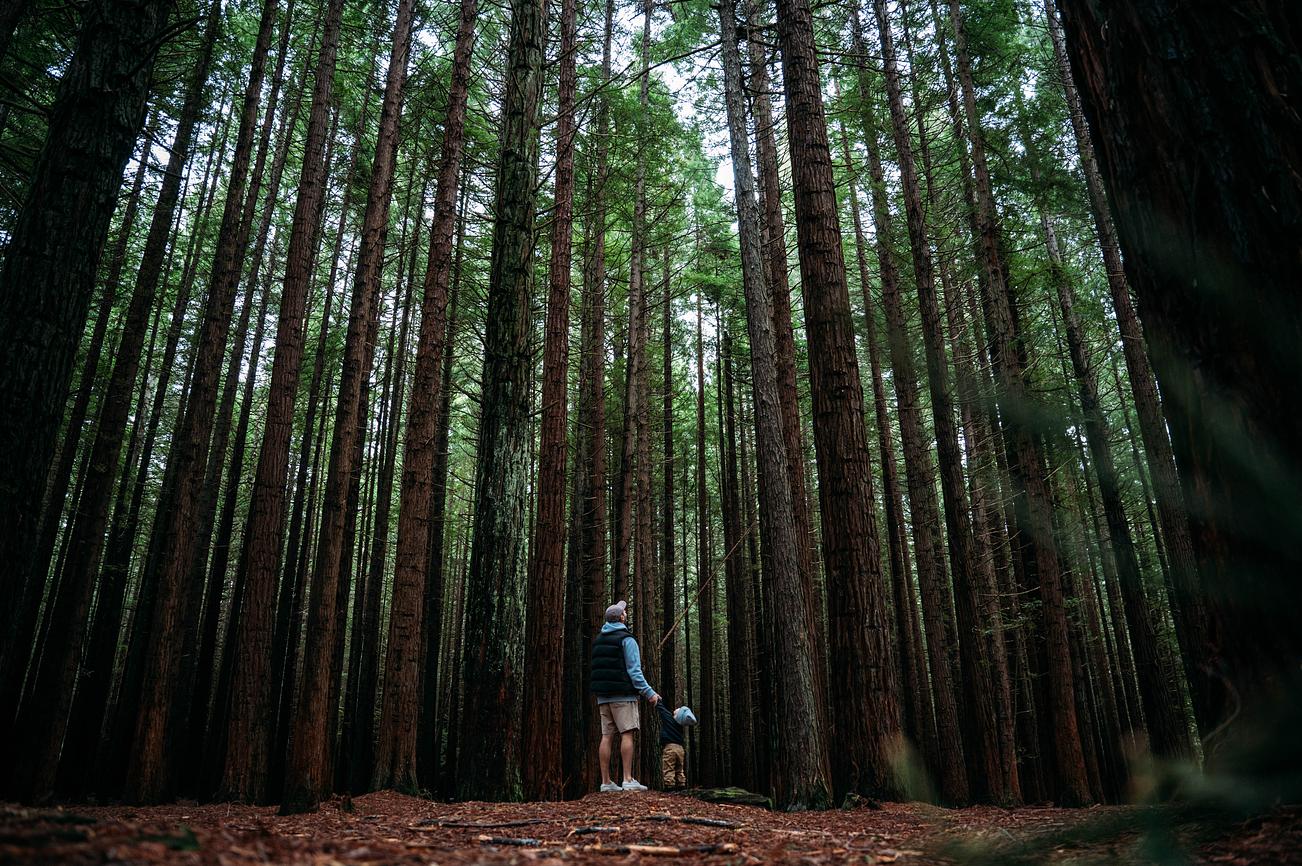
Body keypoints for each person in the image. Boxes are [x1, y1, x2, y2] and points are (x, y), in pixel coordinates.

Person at [590, 600, 659, 792]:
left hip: (603, 697)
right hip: (622, 695)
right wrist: (649, 693)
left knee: (606, 736)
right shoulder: (627, 639)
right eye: (624, 613)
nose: (626, 614)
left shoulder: (598, 640)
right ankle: (628, 779)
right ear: (620, 618)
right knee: (626, 734)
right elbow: (634, 672)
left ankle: (606, 782)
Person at [655, 703, 698, 790]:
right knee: (679, 768)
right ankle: (681, 785)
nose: (676, 709)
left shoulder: (670, 720)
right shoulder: (680, 726)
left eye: (679, 710)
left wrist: (658, 702)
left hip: (670, 748)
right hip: (680, 749)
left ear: (678, 716)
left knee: (668, 767)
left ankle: (669, 786)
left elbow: (663, 711)